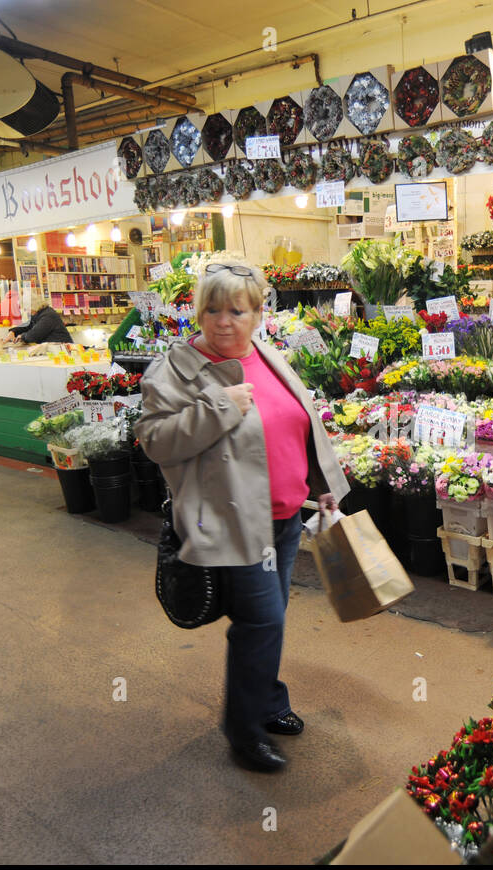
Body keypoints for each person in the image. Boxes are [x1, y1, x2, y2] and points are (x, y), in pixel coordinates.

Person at [135, 260, 349, 773]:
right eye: (213, 309)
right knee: (261, 621)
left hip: (285, 519)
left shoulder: (270, 357)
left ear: (258, 313)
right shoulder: (177, 370)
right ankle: (244, 729)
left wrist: (322, 488)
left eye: (237, 309)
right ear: (198, 311)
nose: (224, 321)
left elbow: (301, 425)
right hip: (232, 520)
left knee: (269, 619)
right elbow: (154, 440)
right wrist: (219, 407)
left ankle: (268, 700)